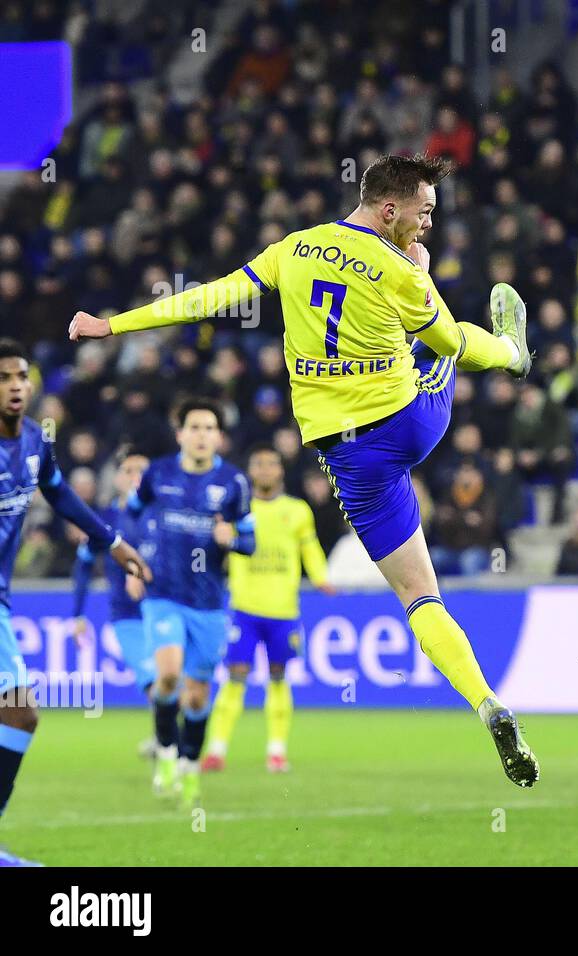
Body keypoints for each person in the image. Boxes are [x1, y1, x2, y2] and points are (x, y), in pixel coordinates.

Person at [68, 153, 540, 788]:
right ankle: (489, 704)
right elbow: (457, 344)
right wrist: (505, 353)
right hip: (410, 422)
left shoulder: (291, 249)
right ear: (390, 207)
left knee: (415, 598)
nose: (429, 223)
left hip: (347, 453)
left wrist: (114, 325)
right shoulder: (401, 267)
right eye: (424, 212)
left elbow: (210, 298)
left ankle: (484, 700)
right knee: (443, 338)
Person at [0, 340, 150, 866]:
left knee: (17, 713)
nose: (15, 386)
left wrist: (112, 541)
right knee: (19, 711)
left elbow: (60, 493)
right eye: (4, 378)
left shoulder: (36, 443)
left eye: (21, 376)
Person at [127, 398, 255, 808]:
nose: (202, 435)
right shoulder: (157, 474)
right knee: (167, 677)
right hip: (164, 593)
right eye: (194, 427)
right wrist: (132, 562)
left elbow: (250, 541)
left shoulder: (234, 483)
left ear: (219, 436)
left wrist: (231, 541)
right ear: (180, 433)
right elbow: (131, 516)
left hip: (210, 602)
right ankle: (165, 753)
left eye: (209, 428)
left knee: (198, 697)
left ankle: (189, 766)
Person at [203, 444, 335, 774]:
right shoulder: (237, 509)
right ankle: (217, 750)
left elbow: (310, 548)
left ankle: (276, 750)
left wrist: (321, 578)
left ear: (280, 470)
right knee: (234, 678)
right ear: (251, 471)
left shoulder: (298, 510)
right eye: (258, 464)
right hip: (244, 609)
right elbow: (218, 546)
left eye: (270, 464)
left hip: (282, 610)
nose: (264, 470)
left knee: (278, 678)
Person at [71, 447, 157, 756]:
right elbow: (83, 565)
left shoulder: (164, 516)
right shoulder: (103, 520)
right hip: (128, 616)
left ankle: (165, 740)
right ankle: (169, 745)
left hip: (166, 609)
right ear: (118, 478)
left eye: (142, 472)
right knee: (155, 684)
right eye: (129, 471)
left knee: (173, 685)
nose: (136, 478)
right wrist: (78, 615)